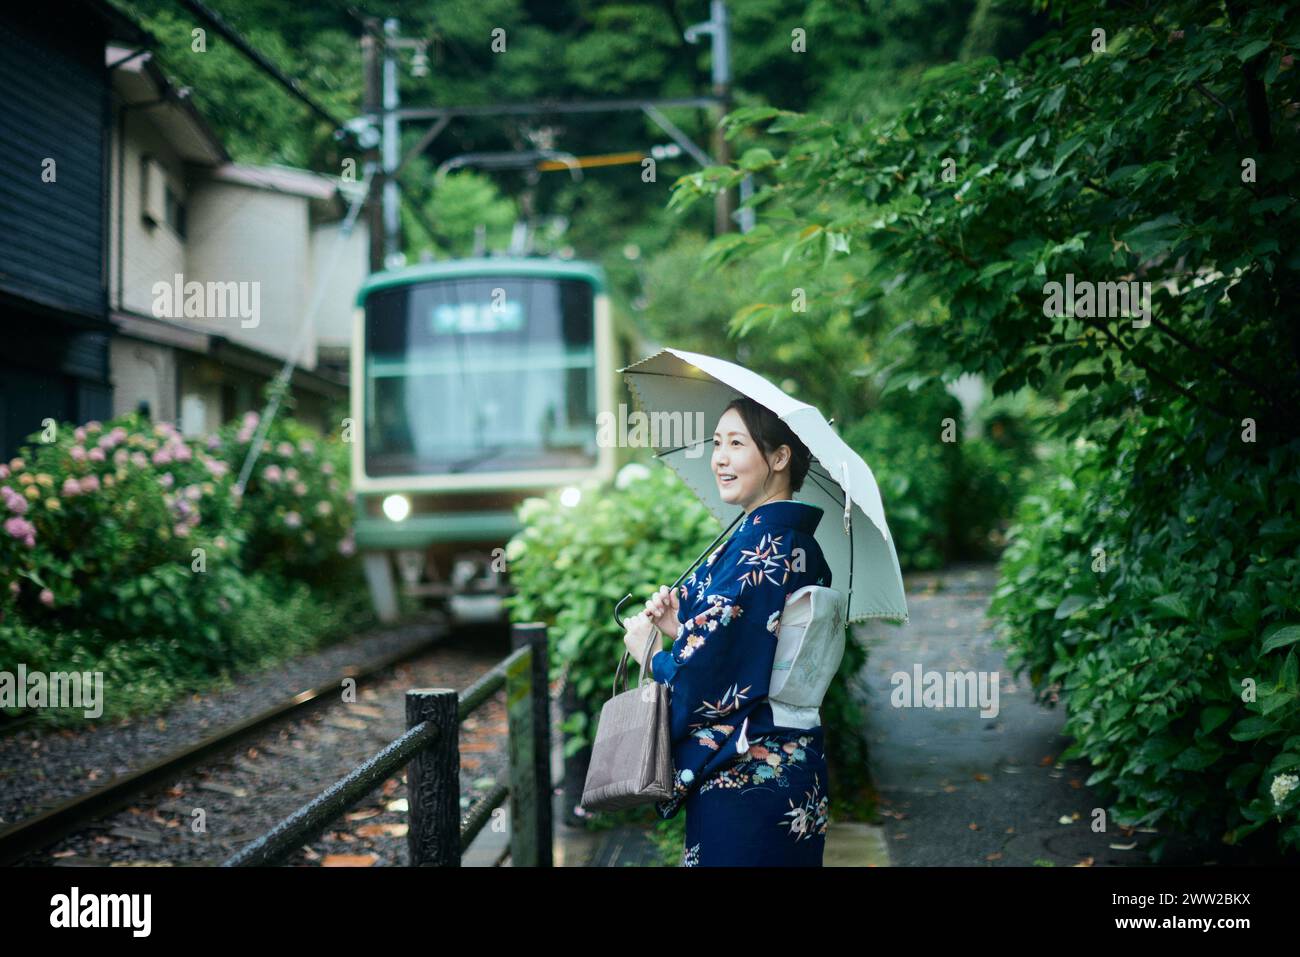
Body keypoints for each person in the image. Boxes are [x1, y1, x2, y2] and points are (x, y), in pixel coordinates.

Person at [622, 396, 834, 866]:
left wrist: (653, 652)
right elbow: (749, 645)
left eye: (737, 443)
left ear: (779, 458)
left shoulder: (758, 548)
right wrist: (683, 625)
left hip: (745, 770)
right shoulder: (799, 546)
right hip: (794, 764)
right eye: (717, 443)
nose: (720, 457)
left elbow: (711, 682)